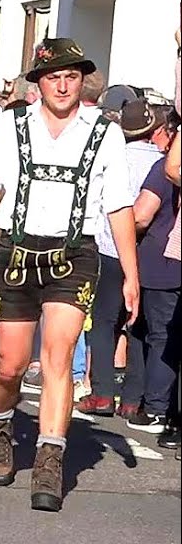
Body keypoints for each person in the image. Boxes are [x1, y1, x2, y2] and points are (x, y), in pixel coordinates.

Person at [0, 38, 137, 512]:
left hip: (75, 254)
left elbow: (118, 204)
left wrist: (130, 271)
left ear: (80, 80)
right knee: (8, 363)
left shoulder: (103, 133)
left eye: (71, 76)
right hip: (17, 251)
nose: (63, 85)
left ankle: (50, 457)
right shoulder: (12, 124)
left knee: (58, 357)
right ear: (39, 83)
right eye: (54, 77)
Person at [77, 99, 166, 418]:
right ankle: (132, 399)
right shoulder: (163, 162)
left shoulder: (109, 159)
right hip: (146, 252)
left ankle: (101, 393)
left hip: (107, 246)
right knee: (137, 325)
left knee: (102, 321)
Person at [123, 107, 179, 438]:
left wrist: (122, 231)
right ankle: (155, 404)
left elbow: (142, 214)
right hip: (170, 261)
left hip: (160, 260)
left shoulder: (164, 168)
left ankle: (154, 406)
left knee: (154, 334)